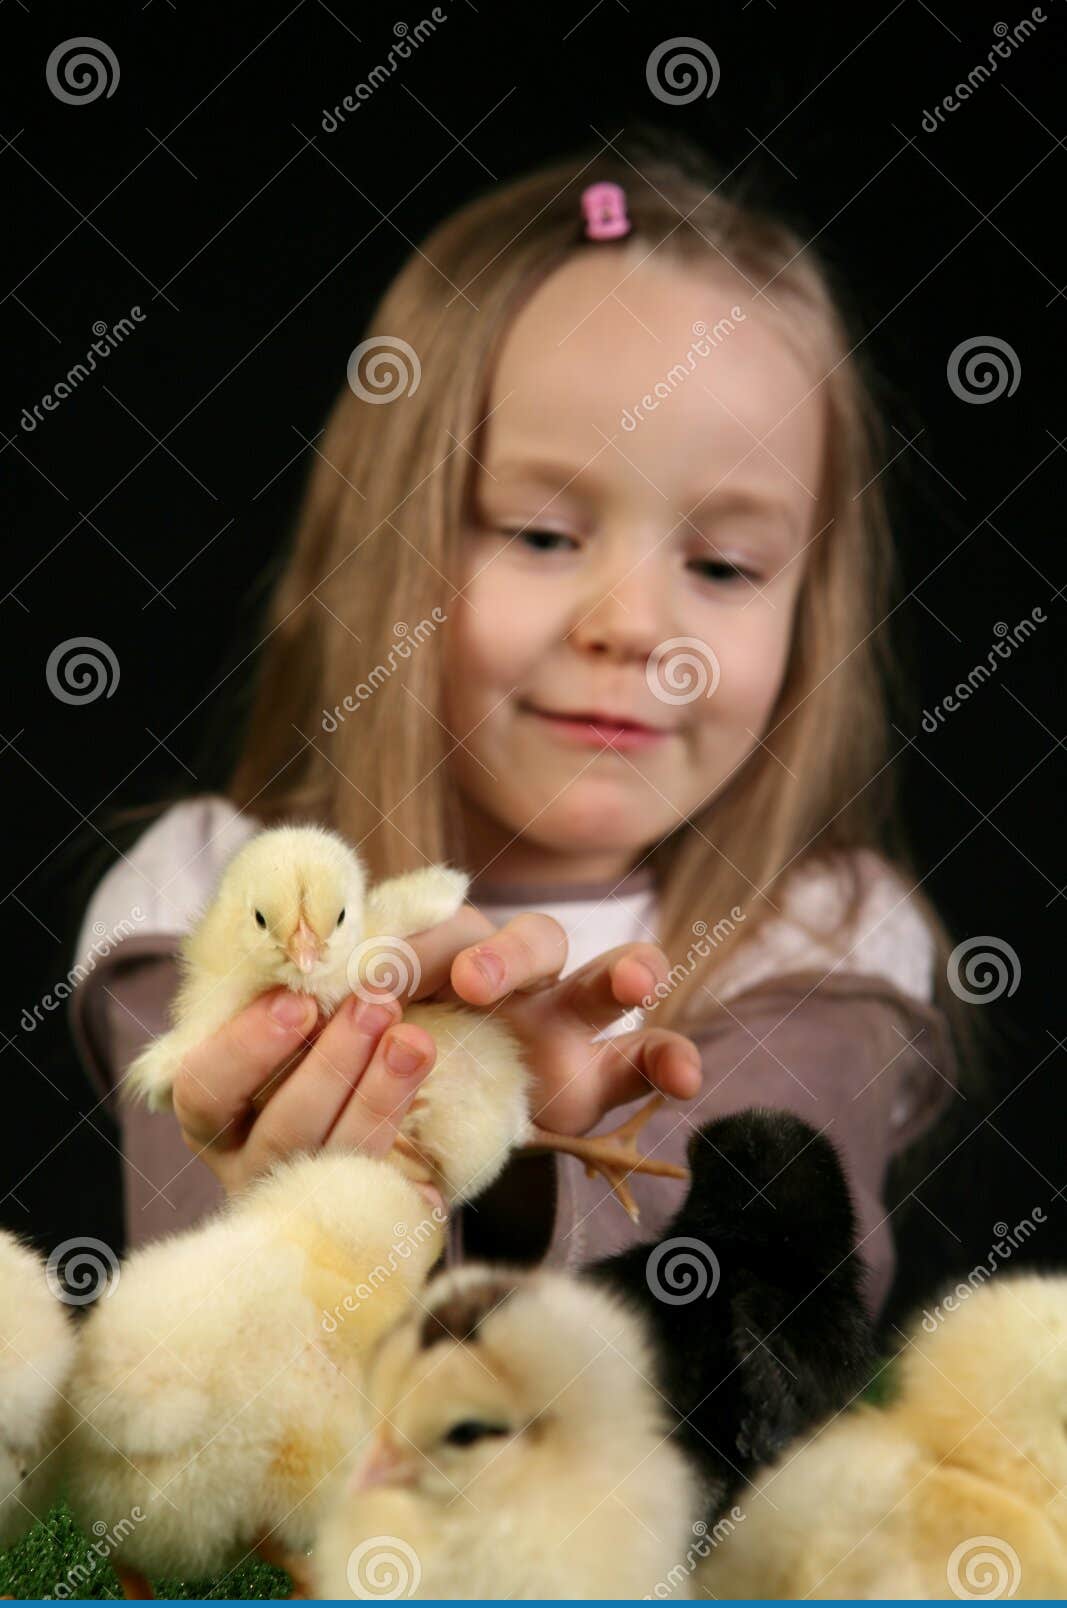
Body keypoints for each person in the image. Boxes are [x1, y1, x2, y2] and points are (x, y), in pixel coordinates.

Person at [68, 133, 982, 1323]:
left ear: (809, 615)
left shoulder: (825, 939)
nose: (631, 623)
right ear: (388, 547)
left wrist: (529, 1154)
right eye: (543, 536)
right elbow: (188, 1361)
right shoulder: (213, 896)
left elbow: (775, 1288)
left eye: (721, 562)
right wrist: (266, 1188)